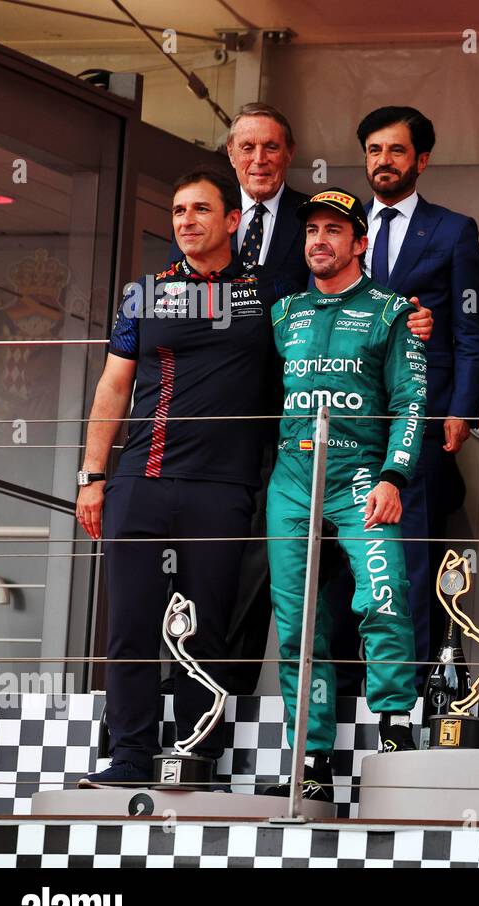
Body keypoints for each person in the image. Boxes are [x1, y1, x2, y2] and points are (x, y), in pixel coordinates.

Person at [75, 166, 270, 787]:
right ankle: (129, 754)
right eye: (179, 211)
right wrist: (92, 474)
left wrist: (412, 317)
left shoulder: (269, 296)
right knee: (130, 623)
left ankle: (195, 757)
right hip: (144, 479)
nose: (187, 221)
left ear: (233, 220)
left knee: (206, 629)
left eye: (201, 210)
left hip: (223, 489)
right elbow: (113, 385)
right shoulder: (143, 292)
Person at [266, 189, 429, 801]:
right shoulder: (283, 314)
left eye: (334, 230)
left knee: (383, 596)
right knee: (296, 624)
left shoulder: (393, 312)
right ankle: (310, 760)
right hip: (291, 480)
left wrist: (395, 476)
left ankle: (393, 727)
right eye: (311, 229)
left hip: (361, 474)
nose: (319, 241)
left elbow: (411, 401)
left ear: (360, 241)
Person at [168, 103, 312, 695]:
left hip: (290, 426)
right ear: (231, 153)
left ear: (290, 155)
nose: (259, 159)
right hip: (207, 430)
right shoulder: (203, 219)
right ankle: (194, 705)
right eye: (246, 147)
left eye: (271, 147)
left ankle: (241, 704)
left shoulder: (316, 218)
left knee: (265, 570)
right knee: (200, 575)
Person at [354, 105, 479, 681]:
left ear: (421, 160)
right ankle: (350, 680)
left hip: (422, 413)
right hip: (349, 414)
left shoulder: (454, 230)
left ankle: (406, 684)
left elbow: (469, 331)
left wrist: (462, 408)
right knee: (351, 547)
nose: (384, 161)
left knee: (409, 547)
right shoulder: (341, 227)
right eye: (375, 150)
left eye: (397, 150)